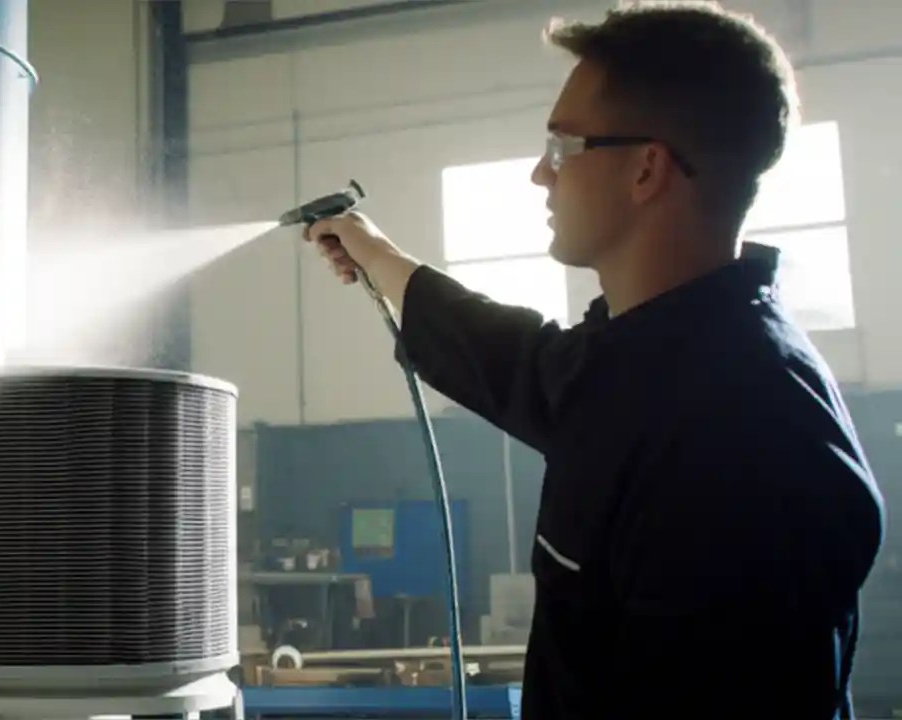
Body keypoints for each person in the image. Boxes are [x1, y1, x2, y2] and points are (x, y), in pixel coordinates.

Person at [306, 2, 885, 718]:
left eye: (562, 148)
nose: (539, 176)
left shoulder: (747, 442)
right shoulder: (647, 357)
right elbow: (519, 362)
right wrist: (376, 253)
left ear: (647, 169)